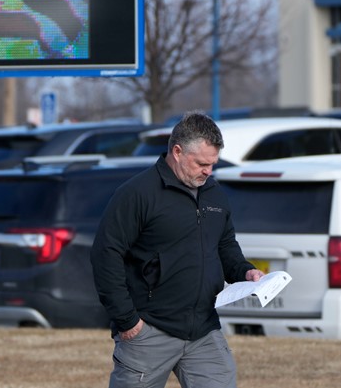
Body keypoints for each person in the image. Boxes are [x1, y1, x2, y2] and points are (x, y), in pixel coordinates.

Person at [90, 111, 264, 388]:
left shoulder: (213, 193)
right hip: (149, 329)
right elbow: (105, 254)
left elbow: (225, 244)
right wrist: (127, 321)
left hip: (204, 328)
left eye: (213, 164)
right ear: (178, 151)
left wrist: (245, 272)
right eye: (201, 164)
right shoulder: (137, 193)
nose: (208, 171)